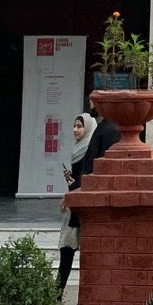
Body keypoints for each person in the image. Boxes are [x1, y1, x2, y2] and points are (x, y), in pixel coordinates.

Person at [57, 107, 118, 292]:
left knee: (74, 251)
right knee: (66, 251)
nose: (76, 130)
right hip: (75, 203)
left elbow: (90, 175)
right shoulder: (78, 148)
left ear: (89, 128)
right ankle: (56, 293)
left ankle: (58, 293)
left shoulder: (92, 145)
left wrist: (71, 192)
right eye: (74, 126)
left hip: (82, 206)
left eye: (80, 127)